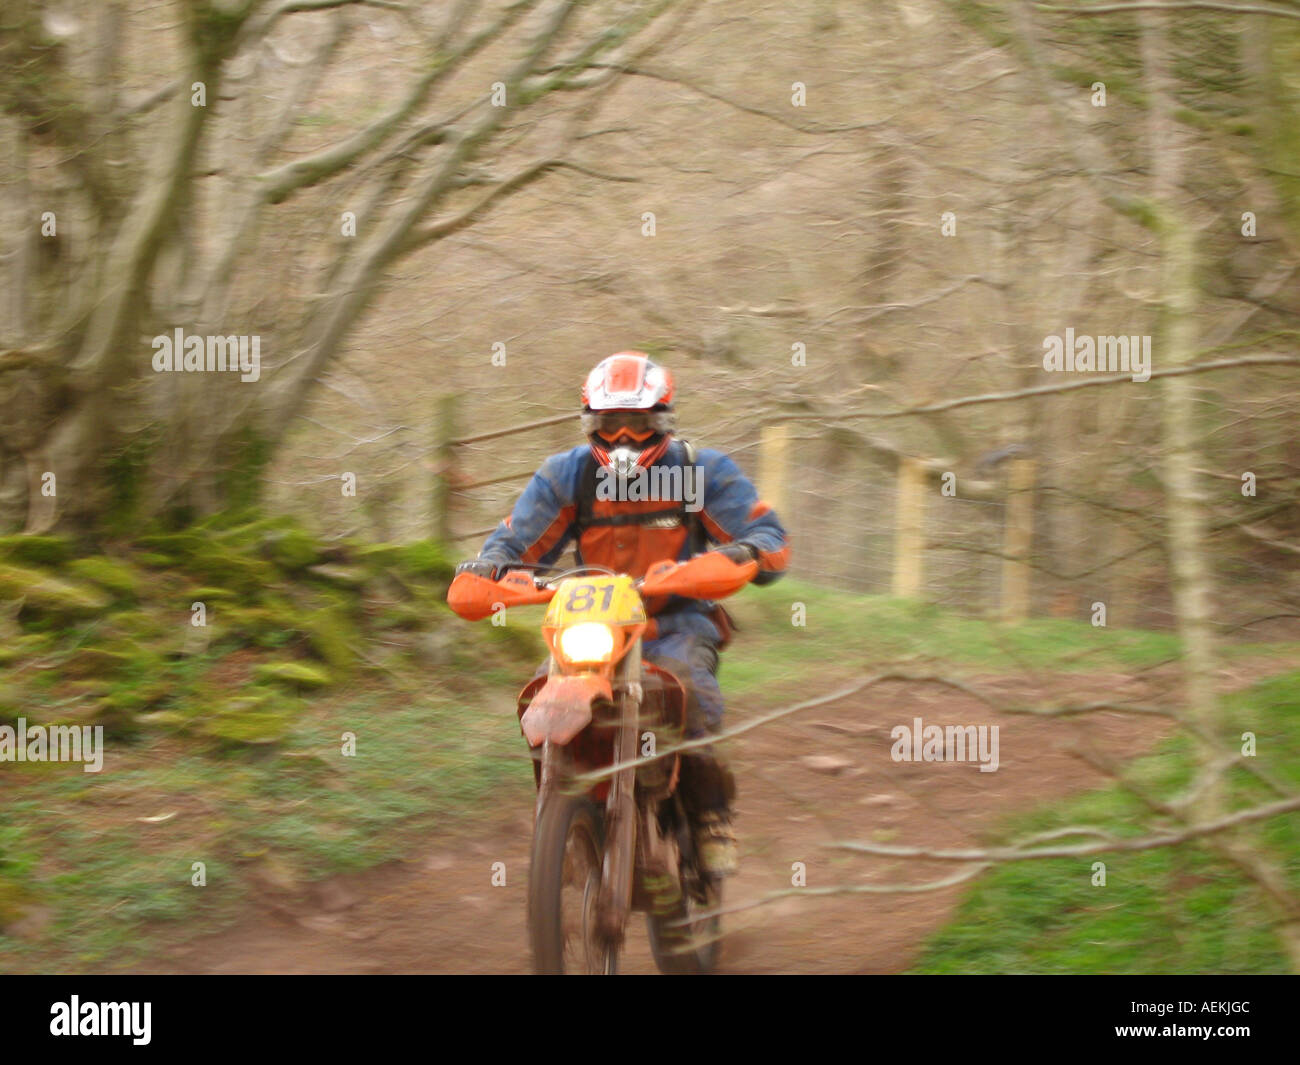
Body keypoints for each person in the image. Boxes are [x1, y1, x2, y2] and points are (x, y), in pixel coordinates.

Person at [454, 351, 790, 876]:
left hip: (674, 621)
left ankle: (711, 818)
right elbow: (514, 540)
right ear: (593, 424)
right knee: (540, 691)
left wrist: (746, 554)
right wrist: (490, 568)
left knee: (688, 687)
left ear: (661, 421)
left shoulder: (702, 470)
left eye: (638, 424)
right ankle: (562, 814)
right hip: (592, 623)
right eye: (611, 425)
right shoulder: (567, 475)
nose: (625, 439)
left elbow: (768, 537)